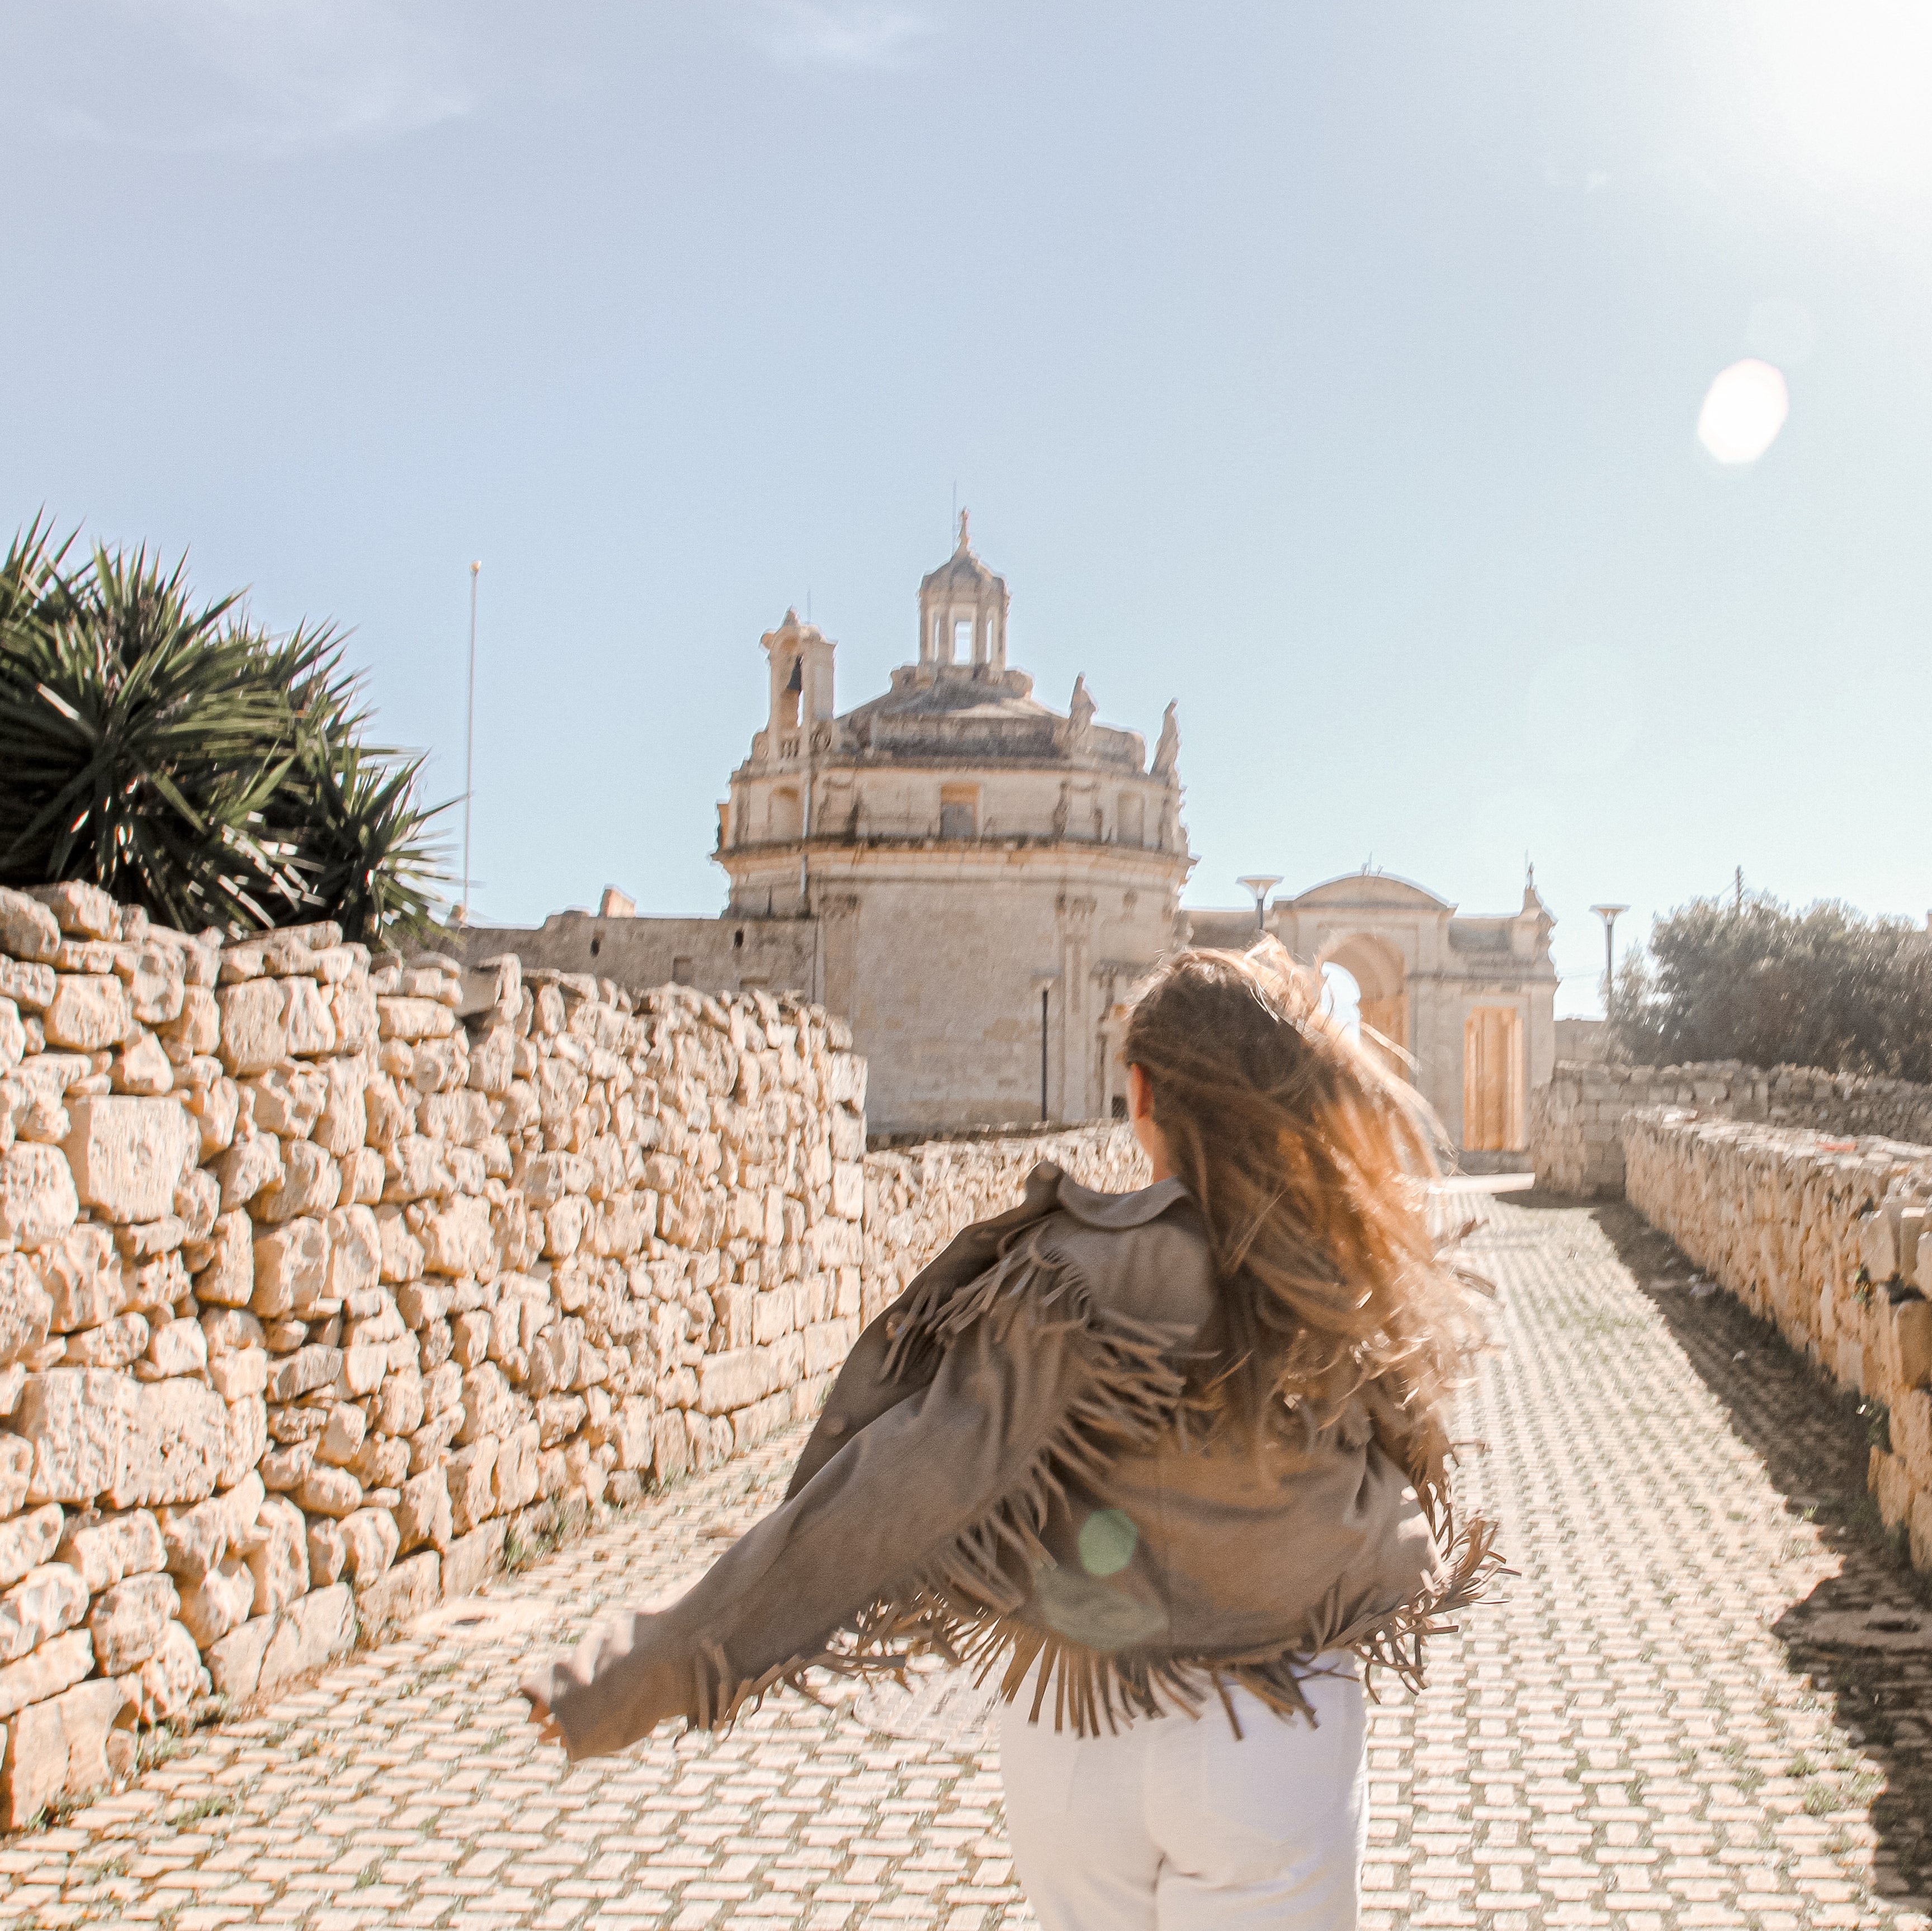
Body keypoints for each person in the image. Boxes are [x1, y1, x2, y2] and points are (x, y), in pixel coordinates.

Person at [521, 940, 1498, 1929]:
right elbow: (1408, 1459)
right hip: (1276, 1730)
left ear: (1141, 1091)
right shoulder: (1341, 1264)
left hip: (1079, 1733)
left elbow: (903, 1481)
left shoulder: (1066, 1271)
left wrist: (650, 1660)